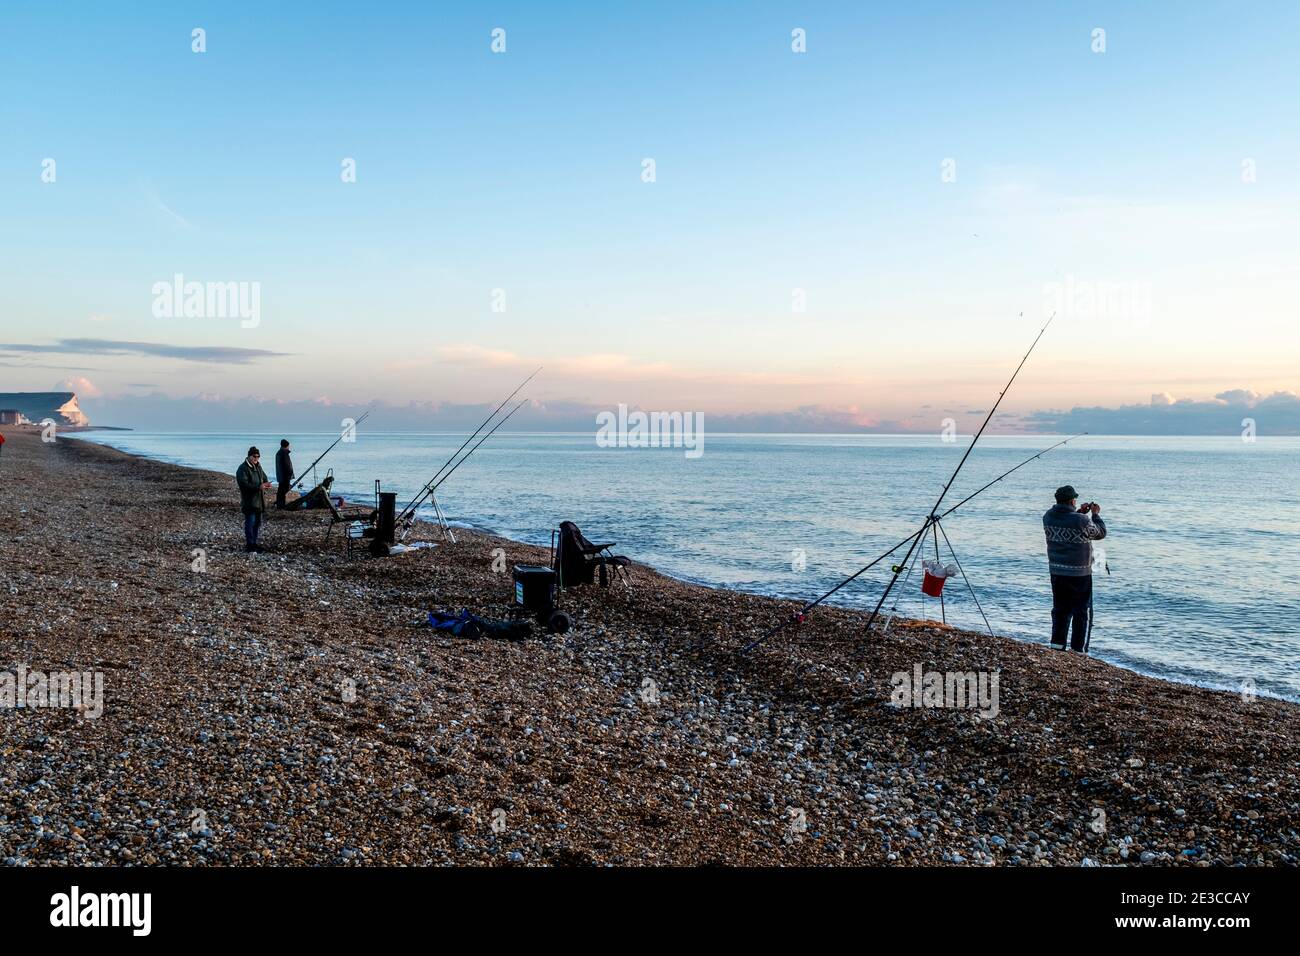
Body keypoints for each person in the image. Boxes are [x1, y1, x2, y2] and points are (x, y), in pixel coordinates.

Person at [1043, 485, 1107, 652]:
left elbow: (1070, 522)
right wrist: (1095, 514)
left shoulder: (1048, 516)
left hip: (1057, 572)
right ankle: (1077, 649)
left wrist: (1080, 512)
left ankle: (1057, 645)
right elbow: (1100, 533)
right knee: (1080, 612)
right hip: (1080, 574)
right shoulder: (1081, 520)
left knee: (1060, 610)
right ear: (1072, 500)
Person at [236, 446, 272, 552]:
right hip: (249, 501)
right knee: (250, 523)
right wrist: (258, 487)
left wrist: (266, 484)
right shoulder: (242, 468)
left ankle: (254, 543)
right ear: (249, 456)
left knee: (257, 523)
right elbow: (243, 485)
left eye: (258, 456)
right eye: (254, 456)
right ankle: (250, 544)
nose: (256, 458)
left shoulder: (258, 467)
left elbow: (264, 478)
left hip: (259, 501)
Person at [274, 439, 294, 509]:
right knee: (283, 491)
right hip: (285, 476)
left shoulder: (279, 452)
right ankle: (281, 506)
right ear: (287, 446)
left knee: (281, 491)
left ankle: (279, 504)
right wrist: (290, 473)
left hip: (281, 476)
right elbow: (287, 466)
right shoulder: (284, 453)